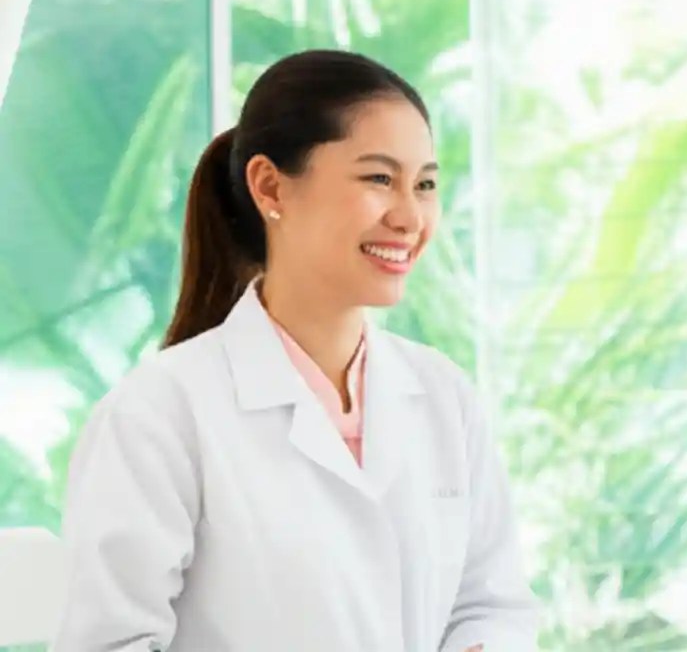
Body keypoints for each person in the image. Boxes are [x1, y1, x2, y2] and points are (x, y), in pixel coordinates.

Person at [54, 49, 537, 651]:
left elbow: (490, 606)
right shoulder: (160, 414)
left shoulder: (445, 398)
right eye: (379, 179)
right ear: (270, 186)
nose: (410, 216)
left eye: (425, 184)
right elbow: (109, 641)